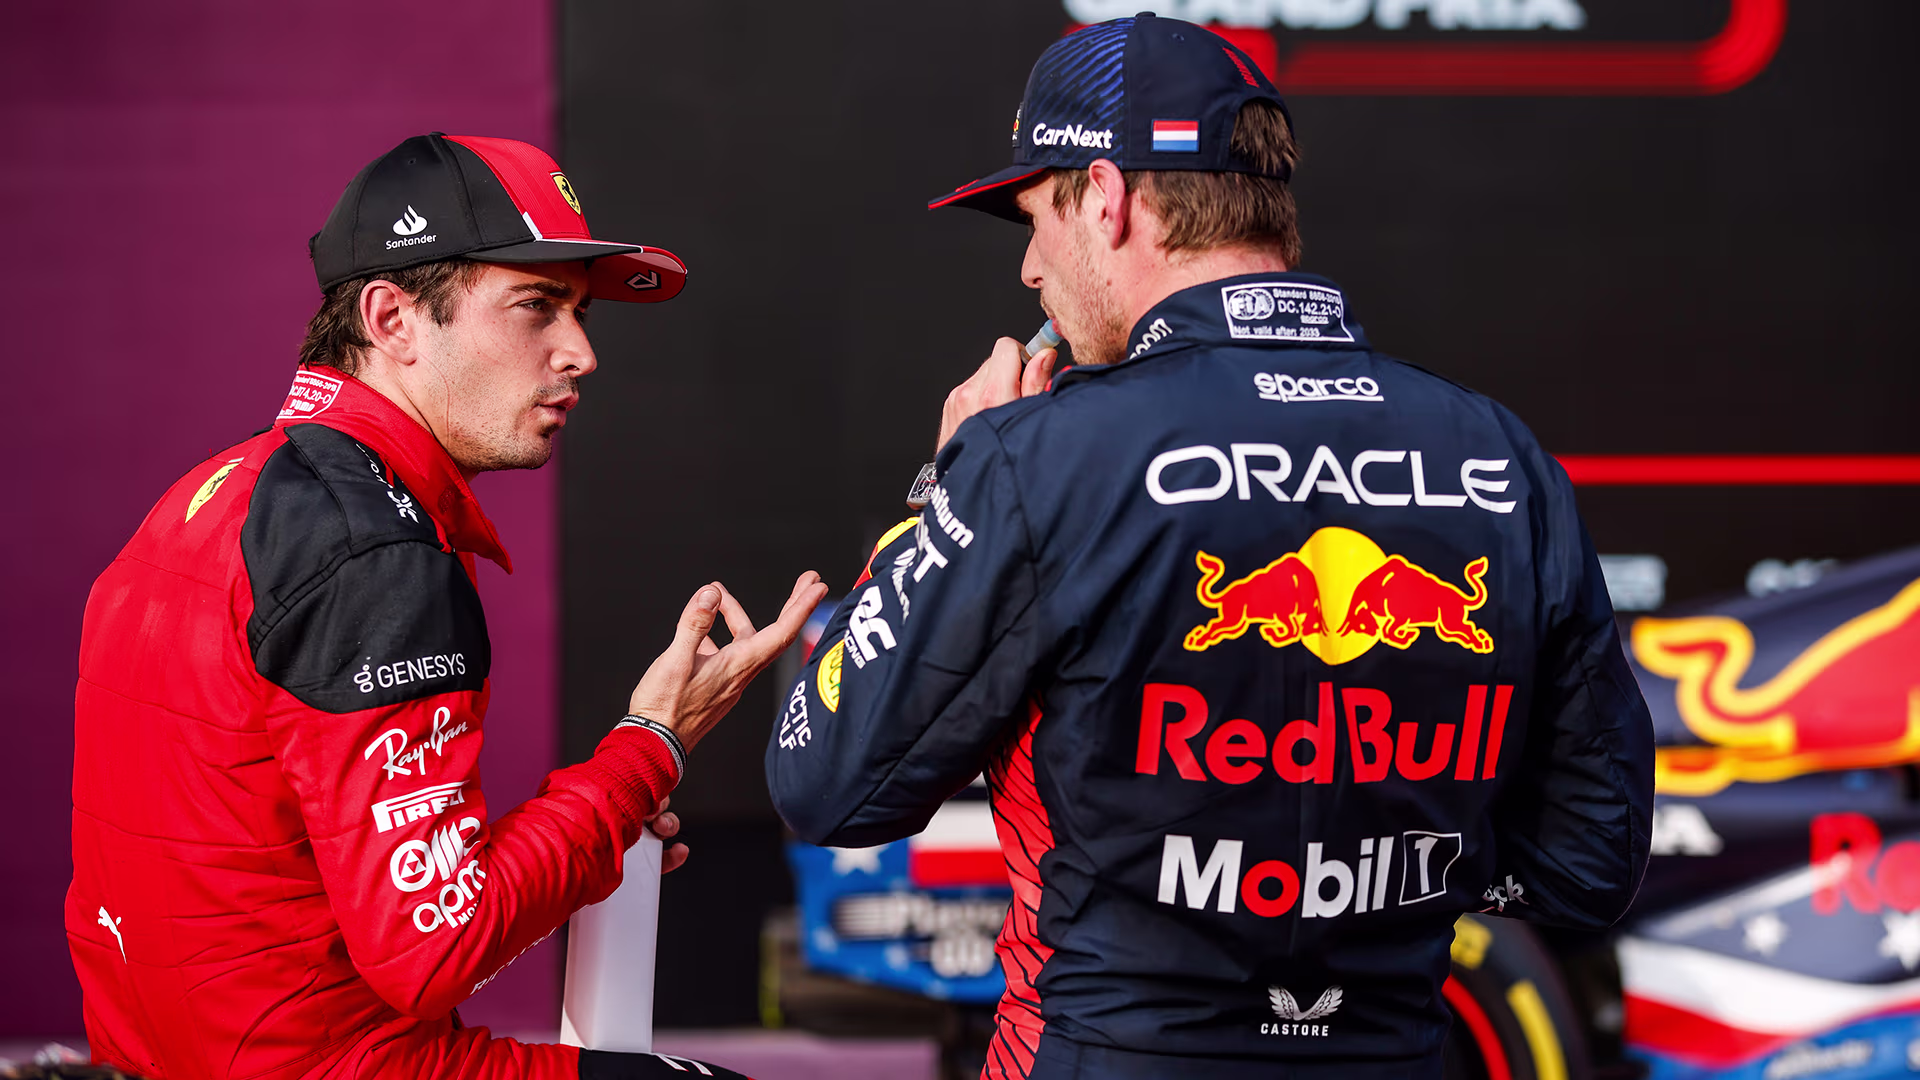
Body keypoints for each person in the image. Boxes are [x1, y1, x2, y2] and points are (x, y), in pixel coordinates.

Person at [766, 15, 1654, 1080]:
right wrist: (1384, 879)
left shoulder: (1036, 458)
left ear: (1108, 198)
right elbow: (1590, 864)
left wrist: (937, 490)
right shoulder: (1500, 454)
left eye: (1037, 217)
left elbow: (827, 782)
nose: (1031, 271)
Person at [67, 133, 827, 1080]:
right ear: (393, 318)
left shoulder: (206, 496)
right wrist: (646, 751)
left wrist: (595, 836)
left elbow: (327, 880)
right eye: (537, 306)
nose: (582, 353)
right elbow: (434, 950)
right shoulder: (375, 550)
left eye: (582, 314)